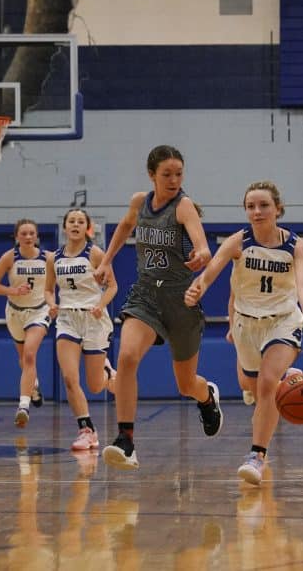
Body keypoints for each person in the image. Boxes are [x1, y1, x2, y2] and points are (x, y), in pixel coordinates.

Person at [185, 180, 303, 485]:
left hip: (283, 321)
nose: (257, 211)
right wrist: (196, 289)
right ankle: (283, 373)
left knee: (267, 386)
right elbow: (211, 271)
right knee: (250, 386)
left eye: (263, 205)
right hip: (246, 323)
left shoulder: (295, 245)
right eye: (250, 206)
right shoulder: (238, 241)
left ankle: (257, 456)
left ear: (278, 208)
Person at [95, 145, 222, 470]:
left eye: (179, 174)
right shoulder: (140, 203)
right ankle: (126, 441)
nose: (174, 179)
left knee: (185, 384)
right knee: (125, 357)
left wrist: (203, 255)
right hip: (146, 295)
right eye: (167, 174)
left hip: (181, 300)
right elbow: (124, 228)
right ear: (152, 175)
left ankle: (206, 396)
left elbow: (202, 245)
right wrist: (107, 261)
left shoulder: (184, 206)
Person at [45, 208, 118, 452]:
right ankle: (87, 430)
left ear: (87, 227)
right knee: (69, 378)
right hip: (67, 319)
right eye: (71, 221)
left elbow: (112, 287)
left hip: (93, 319)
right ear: (65, 227)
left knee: (95, 386)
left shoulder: (95, 253)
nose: (75, 224)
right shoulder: (53, 258)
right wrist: (52, 303)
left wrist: (100, 305)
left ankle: (107, 372)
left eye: (80, 221)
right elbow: (47, 289)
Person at [0, 218, 49, 427]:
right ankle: (34, 387)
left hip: (39, 312)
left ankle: (23, 406)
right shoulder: (9, 257)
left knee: (30, 354)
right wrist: (13, 290)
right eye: (24, 233)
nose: (28, 237)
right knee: (24, 359)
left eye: (32, 233)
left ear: (37, 236)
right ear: (17, 237)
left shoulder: (47, 258)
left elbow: (56, 285)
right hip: (15, 312)